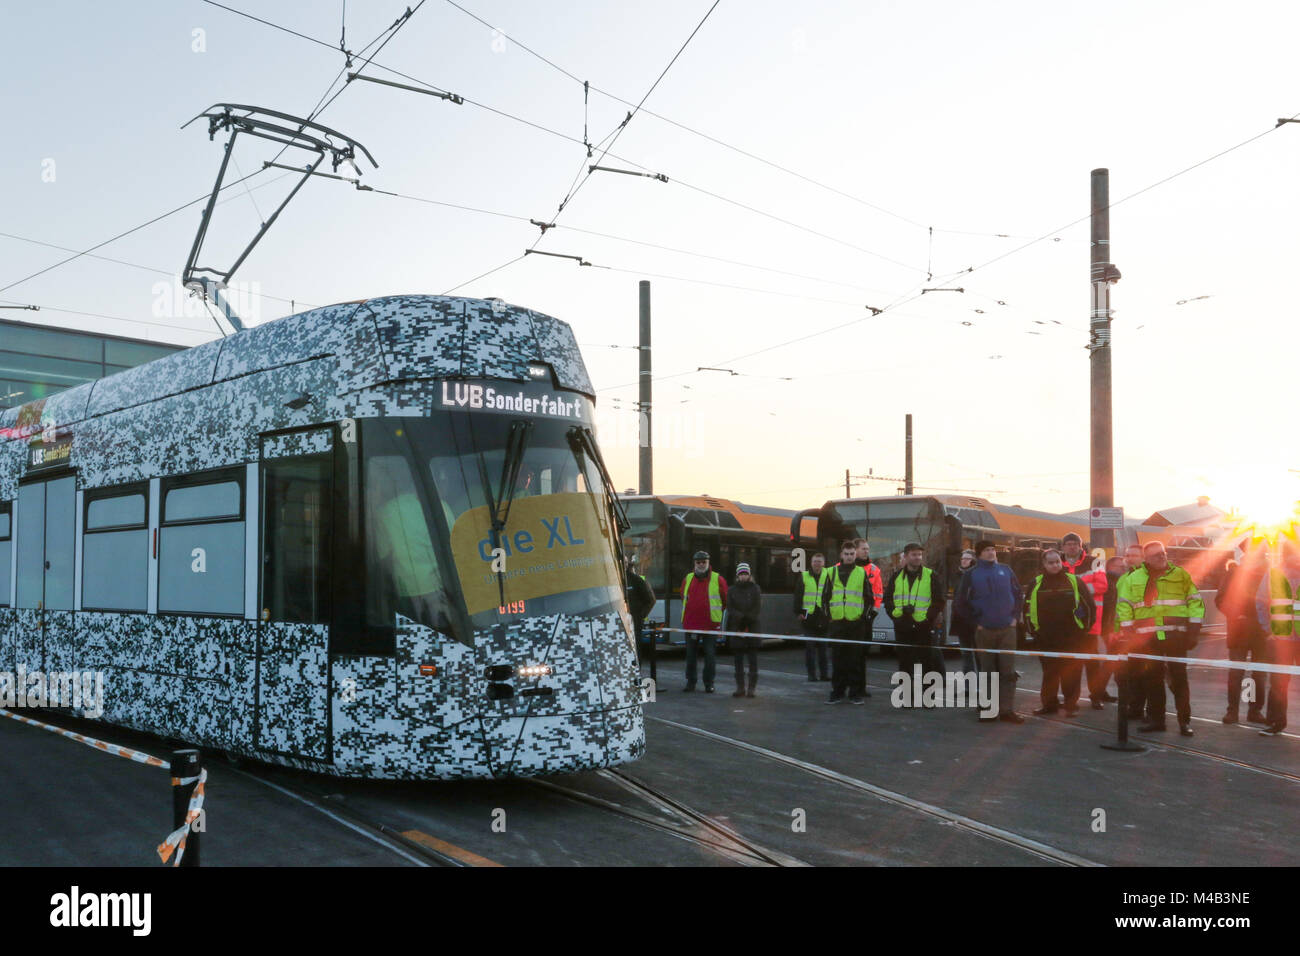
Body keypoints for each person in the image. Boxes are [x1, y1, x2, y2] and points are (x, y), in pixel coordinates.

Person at [1116, 541, 1203, 736]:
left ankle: (1184, 721)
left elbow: (1195, 601)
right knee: (1152, 680)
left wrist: (1194, 629)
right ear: (1146, 559)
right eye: (1156, 555)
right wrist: (1129, 631)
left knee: (1179, 679)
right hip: (1147, 639)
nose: (1161, 557)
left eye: (1163, 553)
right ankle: (1157, 720)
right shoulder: (1134, 578)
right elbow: (1124, 605)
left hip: (1175, 636)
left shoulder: (1180, 574)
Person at [954, 541, 1025, 723]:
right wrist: (976, 623)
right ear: (979, 554)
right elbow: (961, 602)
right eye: (986, 550)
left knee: (1008, 671)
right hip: (984, 630)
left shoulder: (1006, 570)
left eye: (993, 549)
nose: (991, 553)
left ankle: (1007, 710)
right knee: (987, 671)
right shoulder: (971, 574)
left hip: (1007, 629)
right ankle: (989, 709)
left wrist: (1015, 618)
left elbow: (1018, 595)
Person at [1025, 549, 1094, 716]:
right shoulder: (1036, 583)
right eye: (1050, 562)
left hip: (1072, 638)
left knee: (1071, 673)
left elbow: (1088, 607)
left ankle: (1070, 705)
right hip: (1046, 638)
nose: (1055, 565)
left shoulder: (1074, 581)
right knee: (1050, 674)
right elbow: (1027, 609)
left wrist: (1083, 629)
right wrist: (1034, 632)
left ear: (1061, 562)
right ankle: (1049, 705)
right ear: (1044, 564)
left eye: (1057, 561)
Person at [1214, 541, 1271, 725]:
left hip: (1261, 632)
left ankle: (1254, 711)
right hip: (1239, 630)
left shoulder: (1269, 572)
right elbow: (1221, 598)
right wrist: (1235, 614)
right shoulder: (1234, 572)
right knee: (1236, 673)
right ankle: (1233, 711)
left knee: (1259, 674)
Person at [884, 542, 946, 696]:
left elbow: (939, 600)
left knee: (927, 662)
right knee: (905, 662)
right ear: (905, 556)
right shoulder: (896, 576)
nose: (918, 557)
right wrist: (895, 617)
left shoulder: (931, 575)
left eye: (919, 554)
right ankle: (906, 696)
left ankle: (928, 696)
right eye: (914, 554)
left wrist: (927, 619)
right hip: (902, 625)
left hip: (923, 626)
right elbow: (888, 600)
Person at [1059, 534, 1113, 707]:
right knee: (1070, 664)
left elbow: (1102, 586)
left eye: (1076, 544)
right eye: (1068, 544)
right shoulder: (1057, 563)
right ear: (1063, 547)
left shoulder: (1095, 562)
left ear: (1081, 546)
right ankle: (1070, 700)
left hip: (1090, 621)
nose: (1072, 547)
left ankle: (1096, 697)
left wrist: (1075, 589)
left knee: (1092, 662)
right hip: (1068, 623)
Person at [822, 540, 871, 704]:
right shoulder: (831, 572)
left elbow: (869, 598)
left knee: (855, 660)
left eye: (851, 554)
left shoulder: (861, 573)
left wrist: (863, 617)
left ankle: (855, 693)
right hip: (837, 623)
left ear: (855, 555)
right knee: (837, 660)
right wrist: (829, 617)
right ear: (841, 555)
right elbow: (824, 598)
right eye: (846, 554)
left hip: (855, 624)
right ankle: (837, 692)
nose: (849, 557)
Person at [1262, 540, 1300, 736]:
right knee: (1278, 683)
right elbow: (1261, 601)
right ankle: (1275, 722)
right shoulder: (1274, 574)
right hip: (1281, 639)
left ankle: (1275, 721)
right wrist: (1268, 630)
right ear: (1287, 555)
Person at [681, 550, 727, 692]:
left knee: (710, 655)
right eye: (698, 562)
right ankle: (691, 682)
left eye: (704, 562)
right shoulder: (688, 578)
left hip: (710, 625)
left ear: (708, 562)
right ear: (694, 563)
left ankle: (709, 683)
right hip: (691, 624)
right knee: (690, 656)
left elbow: (725, 599)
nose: (701, 565)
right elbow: (683, 596)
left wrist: (717, 617)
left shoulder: (718, 579)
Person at [795, 551, 832, 681]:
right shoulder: (804, 576)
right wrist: (799, 613)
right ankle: (811, 675)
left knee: (823, 650)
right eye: (815, 562)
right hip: (808, 617)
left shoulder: (829, 575)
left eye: (819, 562)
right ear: (811, 563)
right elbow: (798, 596)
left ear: (824, 563)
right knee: (810, 649)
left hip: (823, 616)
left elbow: (831, 596)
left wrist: (831, 614)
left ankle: (824, 674)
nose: (817, 564)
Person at [727, 563, 763, 698]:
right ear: (737, 576)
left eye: (745, 574)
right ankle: (740, 687)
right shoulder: (732, 590)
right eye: (741, 574)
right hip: (737, 628)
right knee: (738, 660)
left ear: (749, 575)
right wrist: (740, 619)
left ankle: (751, 688)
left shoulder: (755, 589)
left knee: (753, 659)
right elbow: (730, 608)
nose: (743, 576)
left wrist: (747, 619)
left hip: (752, 627)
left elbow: (757, 607)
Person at [949, 549, 979, 673]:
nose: (963, 561)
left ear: (973, 561)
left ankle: (983, 686)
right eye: (962, 558)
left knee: (979, 655)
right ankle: (969, 686)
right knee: (966, 655)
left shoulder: (978, 575)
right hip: (960, 620)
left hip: (975, 621)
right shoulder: (958, 575)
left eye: (967, 558)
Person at [624, 556, 657, 660]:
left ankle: (637, 674)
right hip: (619, 623)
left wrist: (640, 616)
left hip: (634, 624)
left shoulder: (636, 580)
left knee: (635, 651)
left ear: (627, 564)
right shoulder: (613, 580)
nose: (622, 565)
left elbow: (651, 600)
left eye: (624, 562)